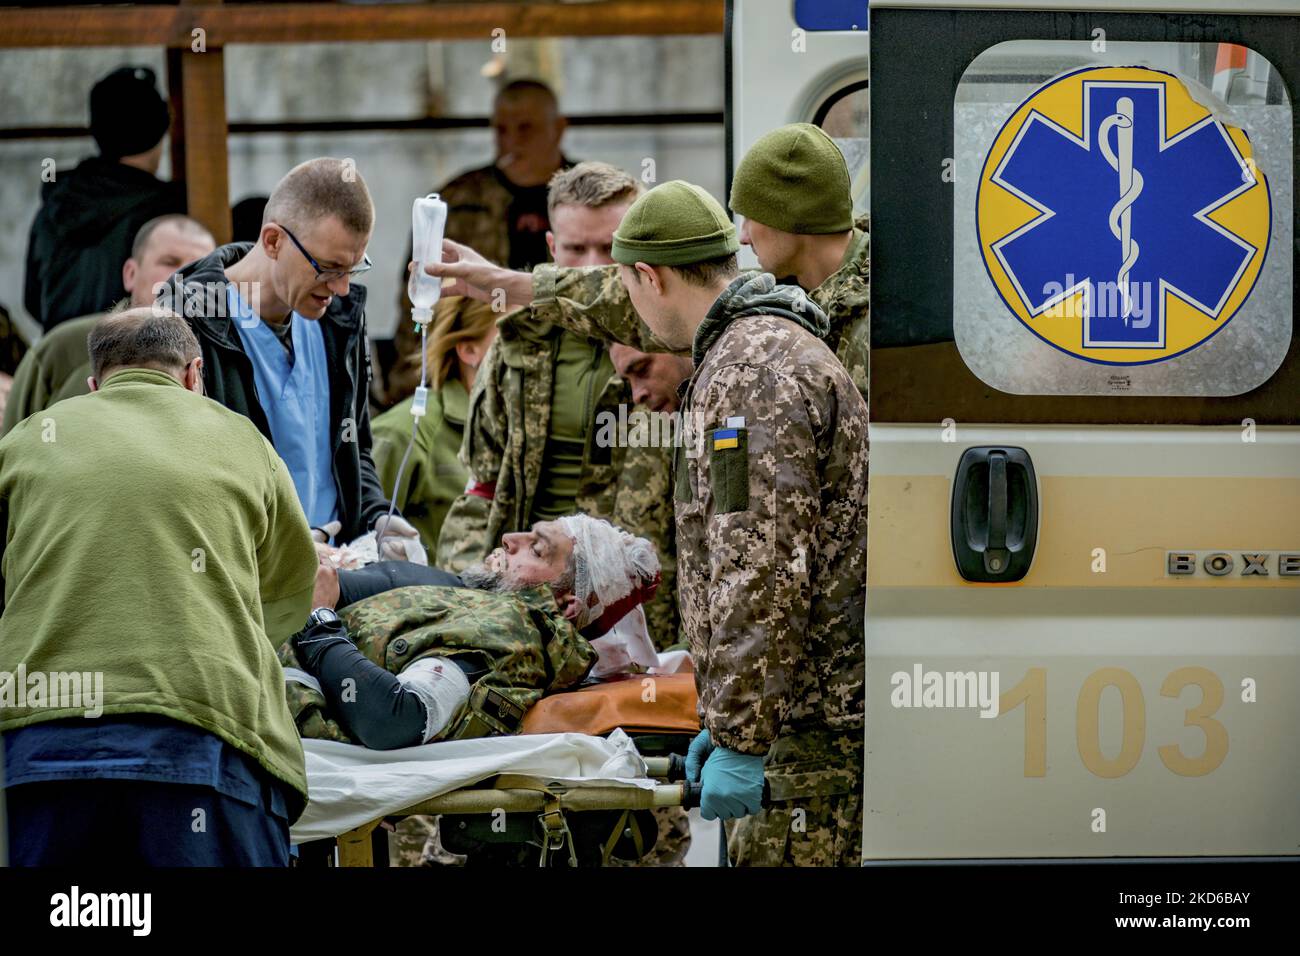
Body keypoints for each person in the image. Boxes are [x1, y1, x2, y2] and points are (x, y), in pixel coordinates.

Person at [428, 181, 869, 867]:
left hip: (805, 738)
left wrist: (742, 734)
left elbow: (758, 571)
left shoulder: (746, 375)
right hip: (798, 720)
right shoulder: (767, 348)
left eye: (626, 291)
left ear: (649, 277)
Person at [0, 307, 320, 866]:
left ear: (95, 384)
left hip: (42, 747)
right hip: (204, 739)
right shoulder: (243, 440)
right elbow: (289, 590)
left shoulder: (29, 438)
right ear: (195, 374)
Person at [435, 161, 684, 655]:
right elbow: (481, 489)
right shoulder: (515, 346)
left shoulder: (673, 343)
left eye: (608, 248)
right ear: (551, 248)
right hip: (530, 617)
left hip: (650, 619)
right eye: (575, 249)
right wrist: (466, 587)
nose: (592, 266)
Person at [157, 158, 419, 558]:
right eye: (328, 268)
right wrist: (283, 549)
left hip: (337, 566)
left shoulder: (339, 321)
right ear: (273, 241)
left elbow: (355, 451)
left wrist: (376, 516)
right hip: (243, 571)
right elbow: (177, 483)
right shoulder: (184, 322)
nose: (342, 288)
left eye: (354, 269)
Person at [385, 79, 573, 404]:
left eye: (525, 128)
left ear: (557, 129)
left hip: (571, 372)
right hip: (471, 378)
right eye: (501, 130)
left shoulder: (590, 197)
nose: (512, 141)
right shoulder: (456, 201)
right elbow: (415, 305)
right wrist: (412, 389)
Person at [3, 214, 216, 436]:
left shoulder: (228, 357)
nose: (184, 278)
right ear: (130, 274)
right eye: (169, 262)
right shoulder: (64, 349)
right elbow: (11, 446)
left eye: (199, 267)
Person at [24, 66, 185, 331]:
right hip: (137, 353)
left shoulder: (56, 204)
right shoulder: (172, 211)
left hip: (64, 354)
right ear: (161, 126)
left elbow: (33, 300)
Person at [732, 123, 869, 399]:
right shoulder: (792, 293)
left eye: (750, 217)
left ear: (790, 217)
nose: (743, 238)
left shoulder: (870, 325)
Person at [369, 296, 498, 548]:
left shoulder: (528, 431)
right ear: (469, 350)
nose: (531, 351)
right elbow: (360, 543)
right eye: (513, 335)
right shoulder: (403, 432)